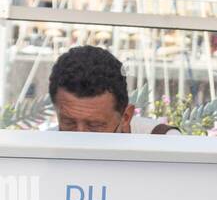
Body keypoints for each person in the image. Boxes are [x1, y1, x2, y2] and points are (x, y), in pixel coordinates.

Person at [47, 45, 181, 134]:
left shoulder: (164, 144)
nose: (80, 136)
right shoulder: (41, 150)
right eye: (69, 123)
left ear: (126, 117)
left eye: (94, 125)